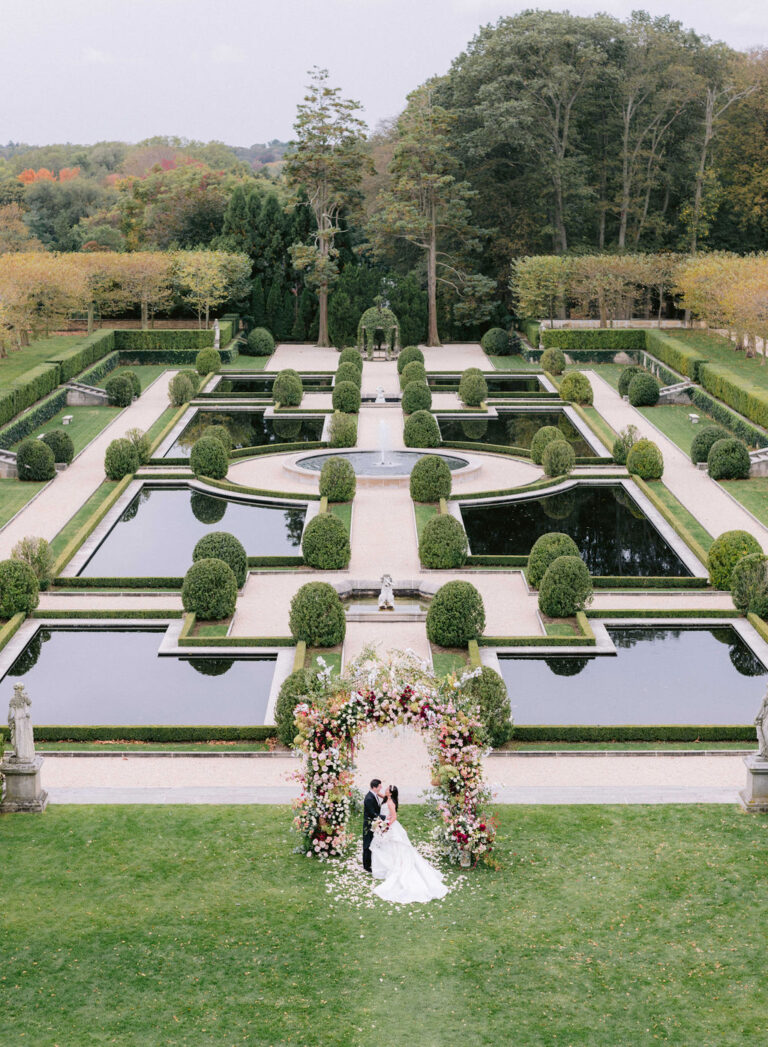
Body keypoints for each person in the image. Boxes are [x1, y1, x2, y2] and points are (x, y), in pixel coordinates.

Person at [370, 785, 448, 904]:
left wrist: (385, 827)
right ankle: (386, 866)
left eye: (387, 790)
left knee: (395, 848)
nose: (384, 790)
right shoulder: (386, 798)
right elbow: (379, 794)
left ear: (390, 793)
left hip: (390, 826)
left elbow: (394, 817)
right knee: (385, 847)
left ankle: (393, 866)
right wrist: (375, 791)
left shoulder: (391, 803)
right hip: (385, 824)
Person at [362, 778, 385, 873]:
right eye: (380, 786)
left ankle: (371, 862)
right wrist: (385, 817)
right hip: (369, 825)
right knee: (367, 844)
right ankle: (366, 865)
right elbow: (372, 813)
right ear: (375, 787)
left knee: (372, 842)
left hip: (373, 823)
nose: (381, 787)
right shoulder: (369, 798)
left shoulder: (374, 795)